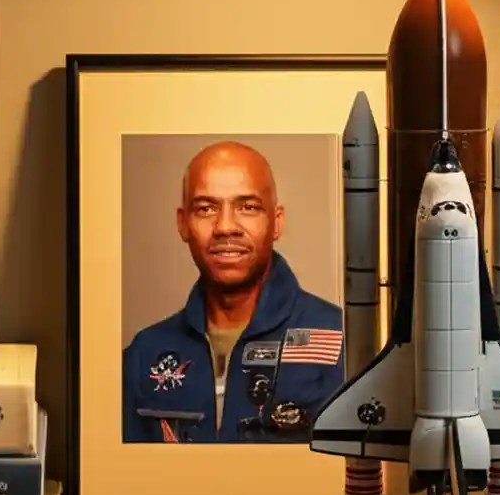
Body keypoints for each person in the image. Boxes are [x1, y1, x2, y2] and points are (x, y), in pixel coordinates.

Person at [122, 141, 345, 443]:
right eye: (206, 208)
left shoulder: (342, 341)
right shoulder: (144, 353)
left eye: (248, 207)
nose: (225, 226)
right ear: (183, 224)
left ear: (276, 222)